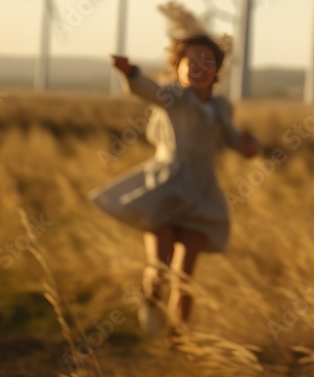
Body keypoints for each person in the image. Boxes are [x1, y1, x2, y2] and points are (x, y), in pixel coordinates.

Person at [91, 34, 259, 338]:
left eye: (207, 61)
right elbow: (149, 91)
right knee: (160, 267)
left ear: (217, 70)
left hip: (201, 193)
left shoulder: (221, 108)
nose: (199, 66)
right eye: (191, 61)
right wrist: (131, 73)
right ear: (177, 68)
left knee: (185, 277)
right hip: (165, 187)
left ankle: (177, 342)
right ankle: (150, 297)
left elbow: (232, 137)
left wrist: (249, 146)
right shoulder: (172, 97)